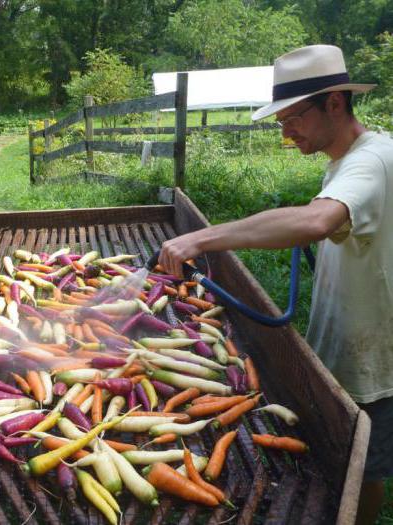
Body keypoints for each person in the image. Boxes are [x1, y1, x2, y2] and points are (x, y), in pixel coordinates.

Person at [159, 44, 393, 525]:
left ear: (334, 103)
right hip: (350, 341)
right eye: (279, 121)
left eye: (292, 118)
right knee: (345, 457)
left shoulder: (373, 161)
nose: (286, 134)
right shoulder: (351, 160)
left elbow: (314, 221)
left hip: (376, 361)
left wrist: (201, 239)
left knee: (361, 470)